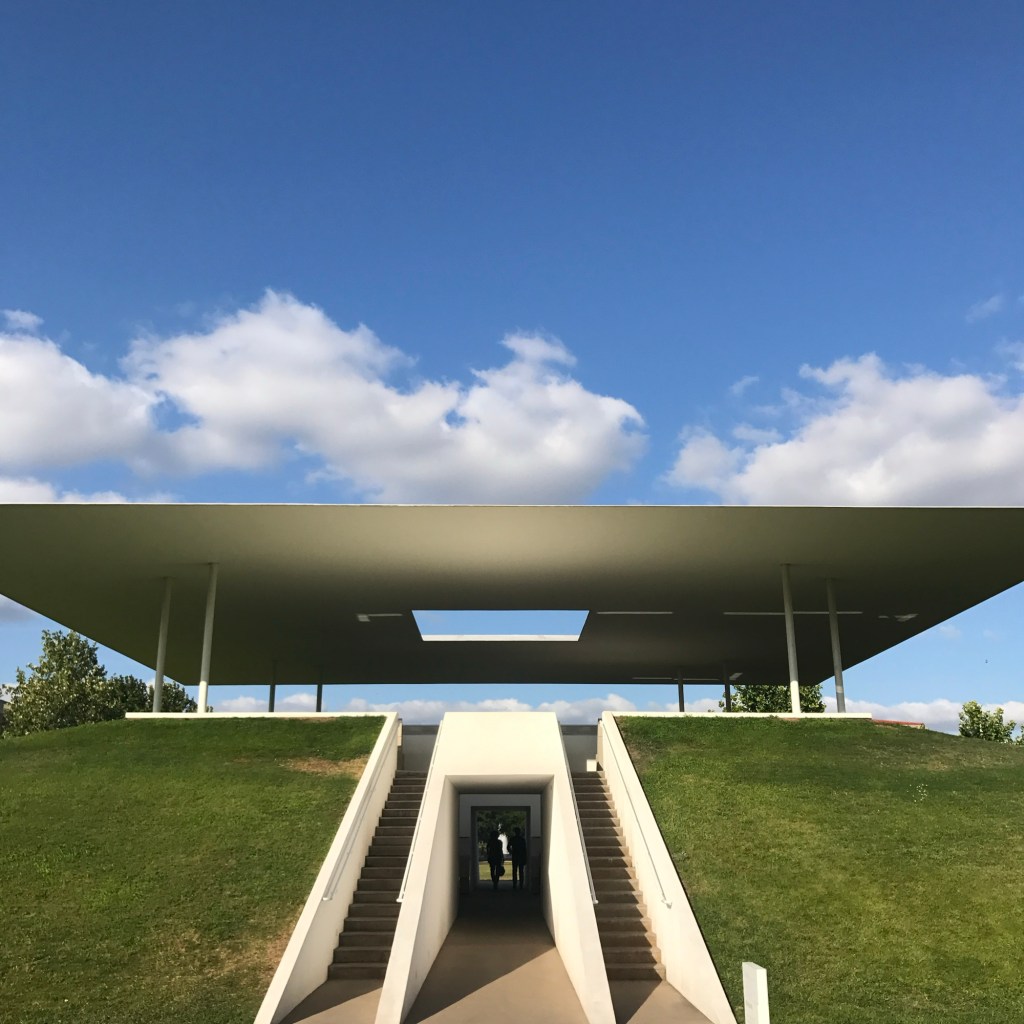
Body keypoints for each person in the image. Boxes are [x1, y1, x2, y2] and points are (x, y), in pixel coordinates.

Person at [509, 826, 527, 891]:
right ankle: (521, 884)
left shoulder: (512, 839)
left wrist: (511, 852)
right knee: (521, 871)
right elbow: (525, 849)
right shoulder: (522, 839)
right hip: (520, 856)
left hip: (515, 856)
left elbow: (508, 846)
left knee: (514, 871)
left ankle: (515, 884)